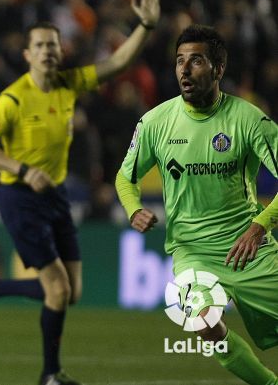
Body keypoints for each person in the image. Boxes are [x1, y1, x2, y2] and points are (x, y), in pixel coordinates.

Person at [0, 0, 161, 385]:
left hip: (53, 193)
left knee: (72, 292)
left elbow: (119, 63)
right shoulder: (13, 100)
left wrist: (145, 27)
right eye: (40, 45)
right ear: (27, 55)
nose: (49, 51)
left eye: (53, 45)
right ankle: (50, 375)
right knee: (56, 289)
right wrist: (20, 170)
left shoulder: (69, 84)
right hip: (18, 196)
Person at [115, 24, 277, 385]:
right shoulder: (155, 123)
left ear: (218, 69)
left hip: (248, 248)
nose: (185, 70)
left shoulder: (249, 120)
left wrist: (259, 226)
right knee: (202, 320)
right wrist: (133, 208)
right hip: (193, 253)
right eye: (179, 61)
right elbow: (125, 178)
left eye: (197, 61)